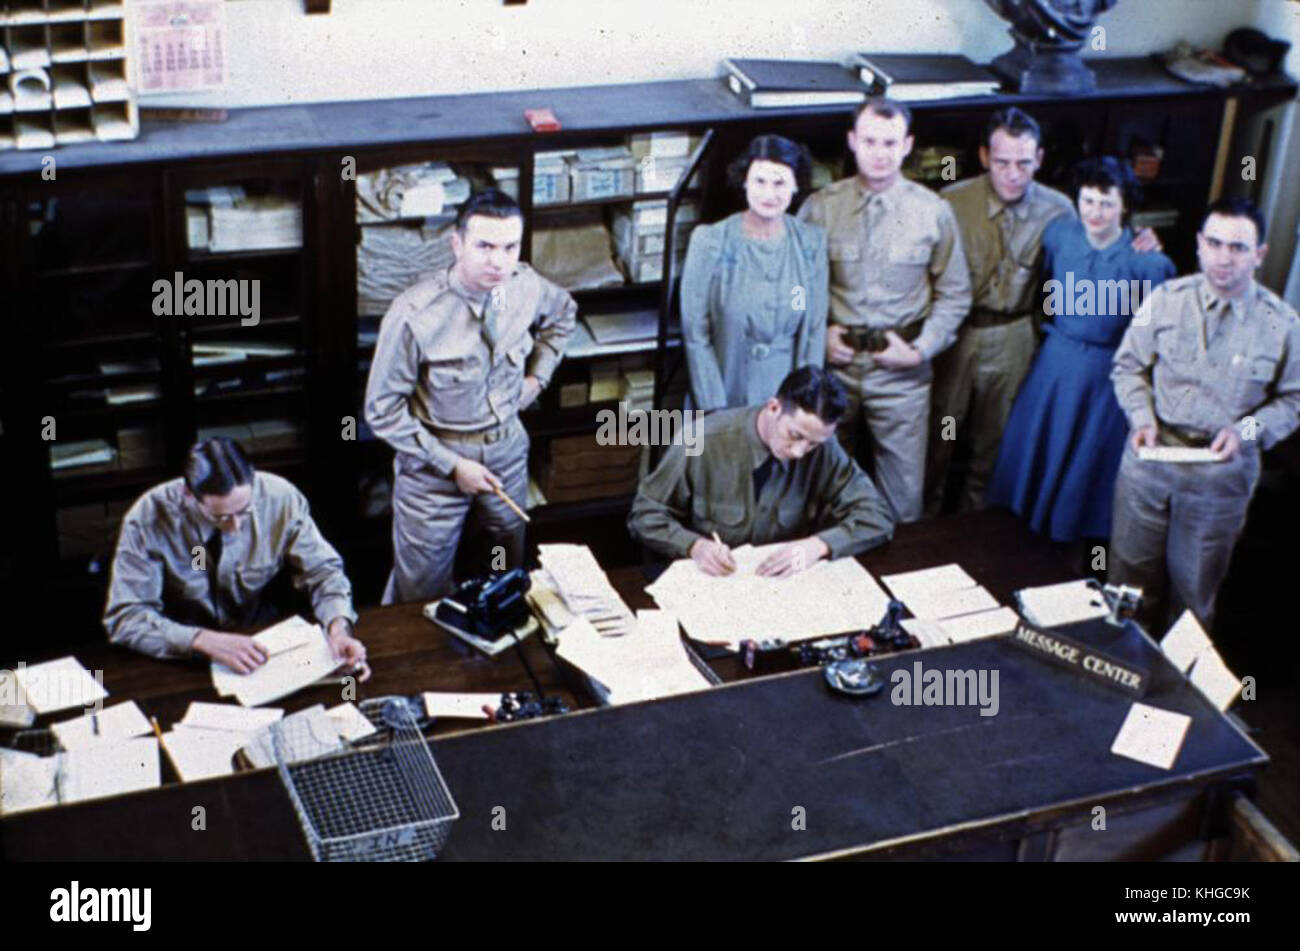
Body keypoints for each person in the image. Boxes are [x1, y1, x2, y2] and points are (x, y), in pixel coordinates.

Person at [365, 189, 576, 604]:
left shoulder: (523, 287)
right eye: (484, 246)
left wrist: (538, 379)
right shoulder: (416, 314)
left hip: (505, 453)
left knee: (504, 567)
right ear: (457, 244)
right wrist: (452, 465)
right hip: (433, 466)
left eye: (510, 247)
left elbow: (563, 315)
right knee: (420, 587)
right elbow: (381, 410)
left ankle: (495, 651)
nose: (498, 261)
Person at [1110, 197, 1300, 630]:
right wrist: (1141, 417)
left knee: (1194, 597)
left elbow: (1293, 399)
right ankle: (1118, 681)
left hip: (1220, 475)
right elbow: (1127, 367)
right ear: (1198, 244)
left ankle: (1177, 692)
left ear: (1260, 254)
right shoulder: (1165, 300)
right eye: (1214, 243)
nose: (1223, 258)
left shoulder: (1282, 322)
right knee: (1128, 588)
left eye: (1238, 248)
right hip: (1151, 462)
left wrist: (1247, 432)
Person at [798, 98, 971, 523]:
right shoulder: (820, 208)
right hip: (833, 369)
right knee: (819, 487)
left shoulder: (932, 211)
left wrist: (921, 350)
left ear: (908, 145)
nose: (880, 152)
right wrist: (818, 336)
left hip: (901, 372)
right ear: (853, 141)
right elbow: (794, 289)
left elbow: (956, 292)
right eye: (870, 140)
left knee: (903, 498)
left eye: (890, 143)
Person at [988, 157, 1175, 542]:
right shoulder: (1059, 235)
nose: (1095, 212)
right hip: (1054, 365)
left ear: (1125, 206)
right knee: (1033, 455)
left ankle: (1067, 552)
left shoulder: (1150, 264)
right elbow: (1045, 289)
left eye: (1107, 203)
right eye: (1088, 201)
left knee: (1085, 470)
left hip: (1105, 377)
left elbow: (1155, 341)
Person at [103, 438, 367, 675]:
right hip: (181, 657)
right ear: (188, 494)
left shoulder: (279, 498)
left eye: (245, 511)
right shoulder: (148, 517)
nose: (236, 526)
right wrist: (200, 640)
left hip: (259, 645)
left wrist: (338, 627)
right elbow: (126, 618)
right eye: (220, 517)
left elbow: (323, 572)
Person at [927, 108, 1075, 515]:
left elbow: (1088, 263)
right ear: (984, 156)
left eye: (1024, 163)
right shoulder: (952, 202)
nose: (1013, 174)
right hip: (958, 335)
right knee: (940, 436)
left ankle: (979, 535)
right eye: (1003, 162)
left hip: (1016, 337)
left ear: (1039, 159)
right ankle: (924, 535)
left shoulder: (1059, 209)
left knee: (995, 446)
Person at [628, 366, 894, 577]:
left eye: (812, 443)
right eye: (795, 435)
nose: (800, 452)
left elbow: (877, 516)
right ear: (774, 408)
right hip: (712, 584)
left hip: (780, 587)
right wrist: (694, 546)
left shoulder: (824, 449)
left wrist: (818, 545)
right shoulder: (700, 441)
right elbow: (645, 514)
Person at [680, 134, 827, 410]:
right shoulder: (710, 241)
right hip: (724, 386)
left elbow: (813, 329)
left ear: (796, 185)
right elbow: (695, 331)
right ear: (745, 180)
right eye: (760, 181)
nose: (769, 194)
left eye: (780, 182)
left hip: (786, 393)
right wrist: (714, 407)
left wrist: (803, 403)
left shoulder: (810, 244)